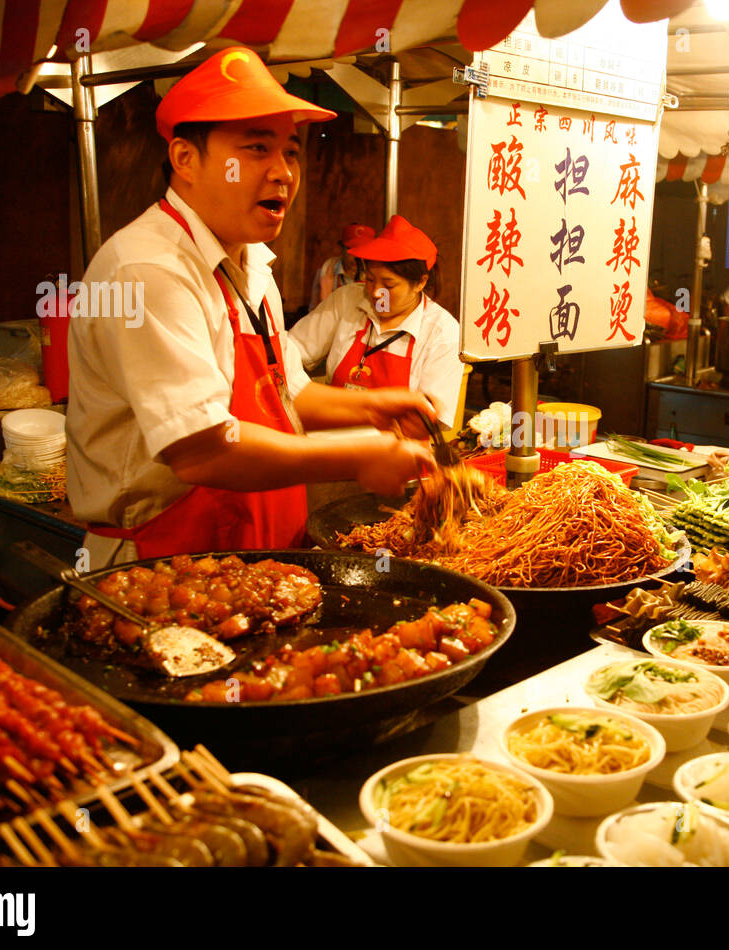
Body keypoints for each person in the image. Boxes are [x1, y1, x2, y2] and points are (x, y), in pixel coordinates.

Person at [66, 48, 436, 567]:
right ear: (185, 159)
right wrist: (360, 456)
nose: (283, 172)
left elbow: (286, 391)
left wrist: (376, 409)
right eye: (257, 149)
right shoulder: (148, 270)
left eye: (290, 152)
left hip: (253, 548)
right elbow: (202, 450)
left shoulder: (250, 262)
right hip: (161, 561)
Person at [289, 216, 465, 428]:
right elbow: (290, 351)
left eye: (389, 286)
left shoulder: (442, 333)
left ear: (420, 283)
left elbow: (428, 421)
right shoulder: (346, 300)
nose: (375, 292)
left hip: (393, 452)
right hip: (330, 439)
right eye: (370, 279)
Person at [309, 222, 374, 309]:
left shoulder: (375, 276)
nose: (357, 256)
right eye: (351, 249)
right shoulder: (326, 272)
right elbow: (314, 311)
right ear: (342, 249)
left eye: (363, 250)